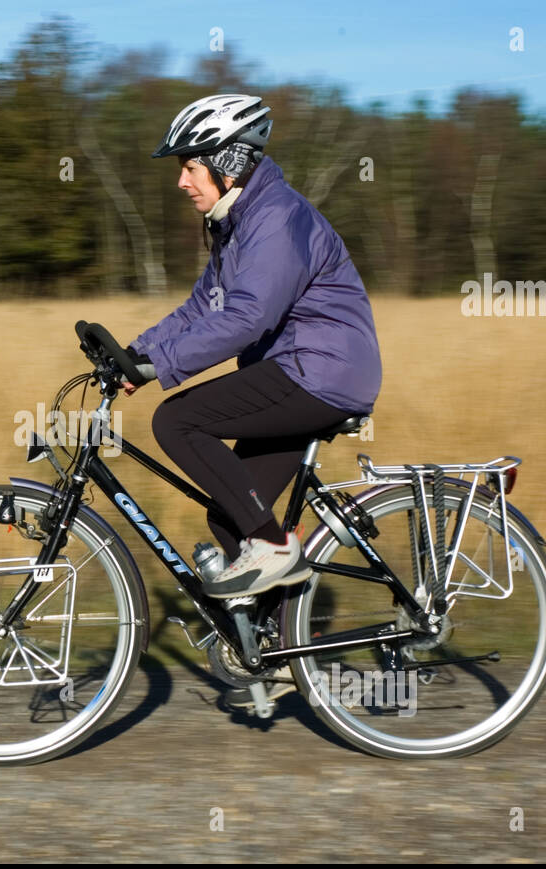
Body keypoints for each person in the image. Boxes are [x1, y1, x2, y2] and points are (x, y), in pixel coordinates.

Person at [122, 92, 382, 600]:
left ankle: (275, 547)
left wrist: (160, 365)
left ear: (228, 162)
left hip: (318, 372)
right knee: (230, 511)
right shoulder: (236, 225)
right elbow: (203, 308)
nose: (181, 180)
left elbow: (247, 318)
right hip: (299, 373)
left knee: (176, 421)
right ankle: (275, 651)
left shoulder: (277, 219)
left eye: (190, 166)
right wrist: (134, 353)